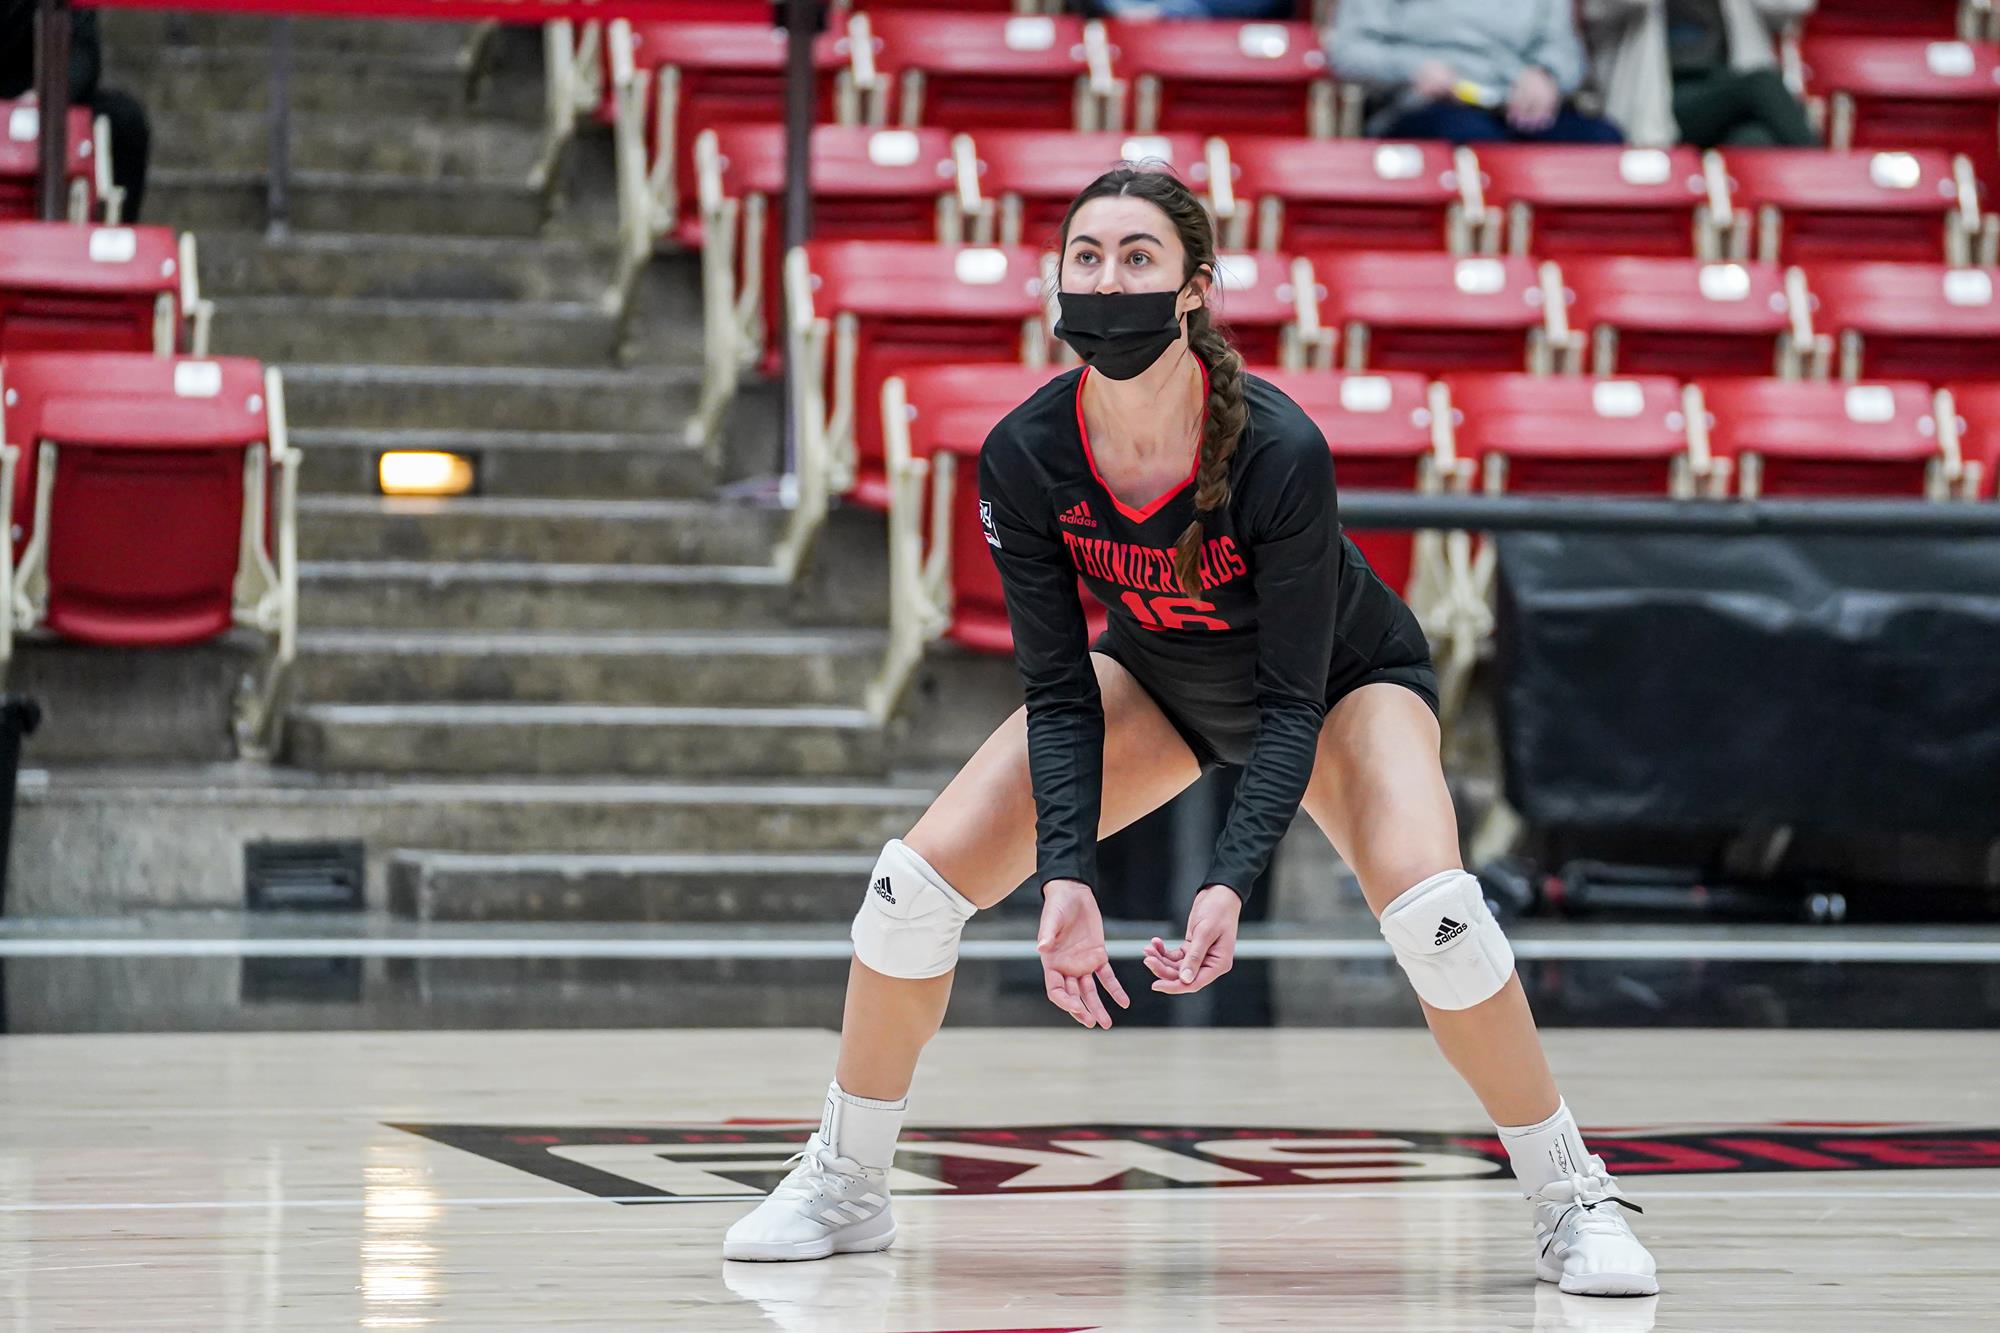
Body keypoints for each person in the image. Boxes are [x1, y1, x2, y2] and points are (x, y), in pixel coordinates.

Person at [721, 164, 1660, 1299]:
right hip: (1156, 680)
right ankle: (845, 1178)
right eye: (1084, 256)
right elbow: (1057, 687)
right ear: (1054, 279)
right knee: (908, 892)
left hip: (1342, 685)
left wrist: (1223, 882)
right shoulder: (1025, 454)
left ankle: (1570, 1195)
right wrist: (1064, 875)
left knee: (1439, 916)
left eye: (1134, 257)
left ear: (1192, 291)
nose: (1104, 278)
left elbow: (1293, 700)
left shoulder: (1274, 448)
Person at [1327, 0, 1625, 144]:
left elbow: (1564, 47)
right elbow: (1348, 51)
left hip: (1515, 104)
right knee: (1477, 139)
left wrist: (1546, 74)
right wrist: (1412, 69)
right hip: (1425, 104)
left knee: (1601, 140)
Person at [1582, 0, 1818, 148]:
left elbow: (1795, 6)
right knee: (1762, 83)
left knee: (1753, 141)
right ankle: (1826, 178)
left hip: (1727, 94)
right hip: (1663, 104)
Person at [0, 2, 152, 220]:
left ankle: (112, 241)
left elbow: (84, 53)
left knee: (124, 119)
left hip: (46, 96)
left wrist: (42, 96)